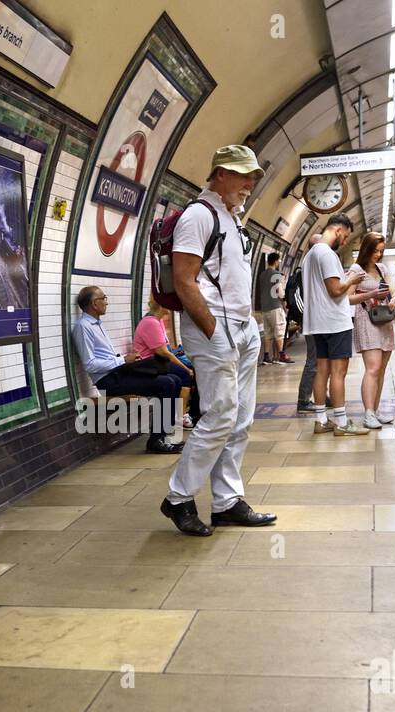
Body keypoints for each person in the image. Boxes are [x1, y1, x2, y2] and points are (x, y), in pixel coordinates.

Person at [159, 144, 277, 537]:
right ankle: (178, 498)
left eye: (252, 176)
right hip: (215, 327)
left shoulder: (232, 218)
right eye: (243, 175)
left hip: (241, 327)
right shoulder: (198, 215)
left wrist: (248, 328)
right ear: (220, 173)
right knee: (220, 414)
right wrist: (212, 328)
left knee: (240, 419)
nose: (249, 183)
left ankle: (226, 502)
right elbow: (183, 280)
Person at [71, 286, 183, 454]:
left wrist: (128, 360)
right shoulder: (83, 327)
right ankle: (156, 440)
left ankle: (162, 436)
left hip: (119, 373)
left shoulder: (97, 324)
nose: (106, 302)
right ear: (95, 303)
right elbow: (90, 364)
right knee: (166, 384)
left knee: (175, 380)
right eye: (104, 298)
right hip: (108, 381)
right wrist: (122, 359)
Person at [300, 214, 367, 435]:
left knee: (322, 371)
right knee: (338, 373)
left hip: (316, 322)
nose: (345, 241)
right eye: (345, 236)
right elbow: (336, 290)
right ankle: (341, 422)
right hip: (335, 323)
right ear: (338, 230)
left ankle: (321, 420)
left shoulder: (310, 255)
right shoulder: (326, 254)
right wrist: (351, 280)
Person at [347, 232, 395, 429]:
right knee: (373, 367)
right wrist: (370, 293)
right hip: (366, 319)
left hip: (384, 320)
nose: (378, 255)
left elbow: (393, 288)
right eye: (375, 251)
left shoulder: (382, 268)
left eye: (381, 251)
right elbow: (347, 298)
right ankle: (368, 414)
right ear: (366, 249)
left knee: (382, 368)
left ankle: (375, 411)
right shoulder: (356, 269)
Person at [134, 298, 201, 428]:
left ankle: (192, 413)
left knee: (195, 370)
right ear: (160, 305)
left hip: (158, 362)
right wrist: (186, 369)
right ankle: (180, 417)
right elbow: (163, 352)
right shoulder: (150, 322)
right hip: (150, 364)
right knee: (185, 374)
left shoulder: (158, 321)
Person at [292, 235, 317, 414]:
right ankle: (303, 400)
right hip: (313, 321)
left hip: (316, 320)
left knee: (321, 360)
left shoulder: (308, 265)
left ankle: (320, 394)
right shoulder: (308, 267)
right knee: (314, 360)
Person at [254, 253, 290, 365]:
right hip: (275, 306)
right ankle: (282, 355)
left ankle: (266, 356)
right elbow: (279, 293)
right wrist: (285, 300)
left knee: (268, 333)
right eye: (278, 261)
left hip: (265, 308)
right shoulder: (276, 274)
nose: (279, 263)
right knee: (279, 331)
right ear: (275, 261)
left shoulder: (262, 275)